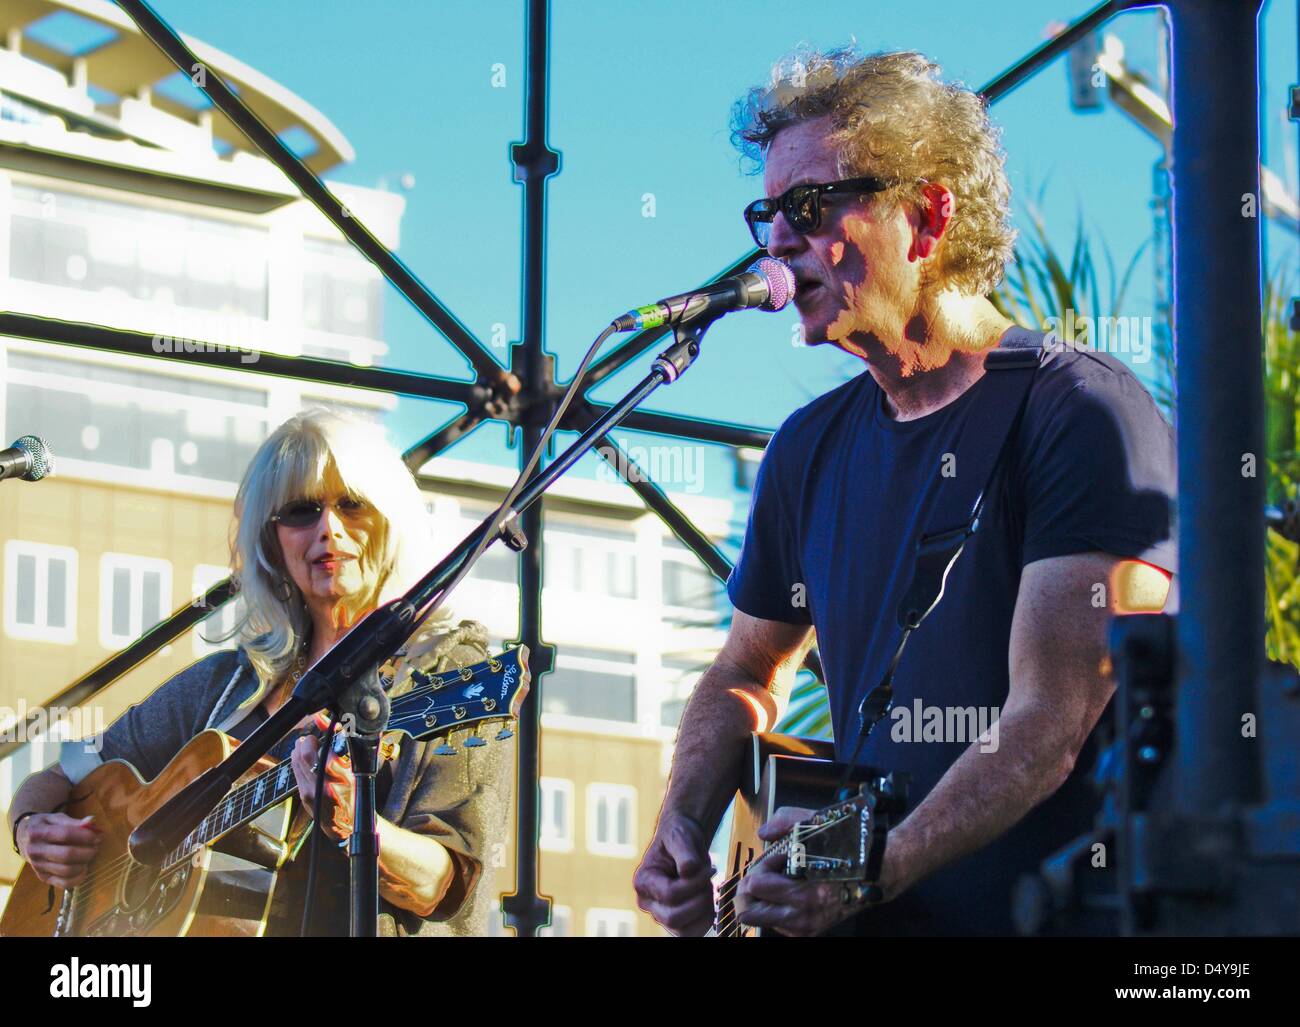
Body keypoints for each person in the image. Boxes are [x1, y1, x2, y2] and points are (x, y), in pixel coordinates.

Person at [633, 48, 1177, 936]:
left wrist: (871, 870)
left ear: (925, 216)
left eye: (809, 206)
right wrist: (680, 823)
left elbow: (1051, 721)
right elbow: (744, 670)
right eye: (767, 212)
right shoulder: (807, 449)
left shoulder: (1078, 409)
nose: (775, 239)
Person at [8, 409, 513, 936]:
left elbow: (447, 885)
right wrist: (31, 828)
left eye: (352, 505)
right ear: (272, 540)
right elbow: (62, 776)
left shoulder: (449, 674)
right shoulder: (230, 684)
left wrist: (357, 824)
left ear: (392, 519)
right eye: (300, 510)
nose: (329, 530)